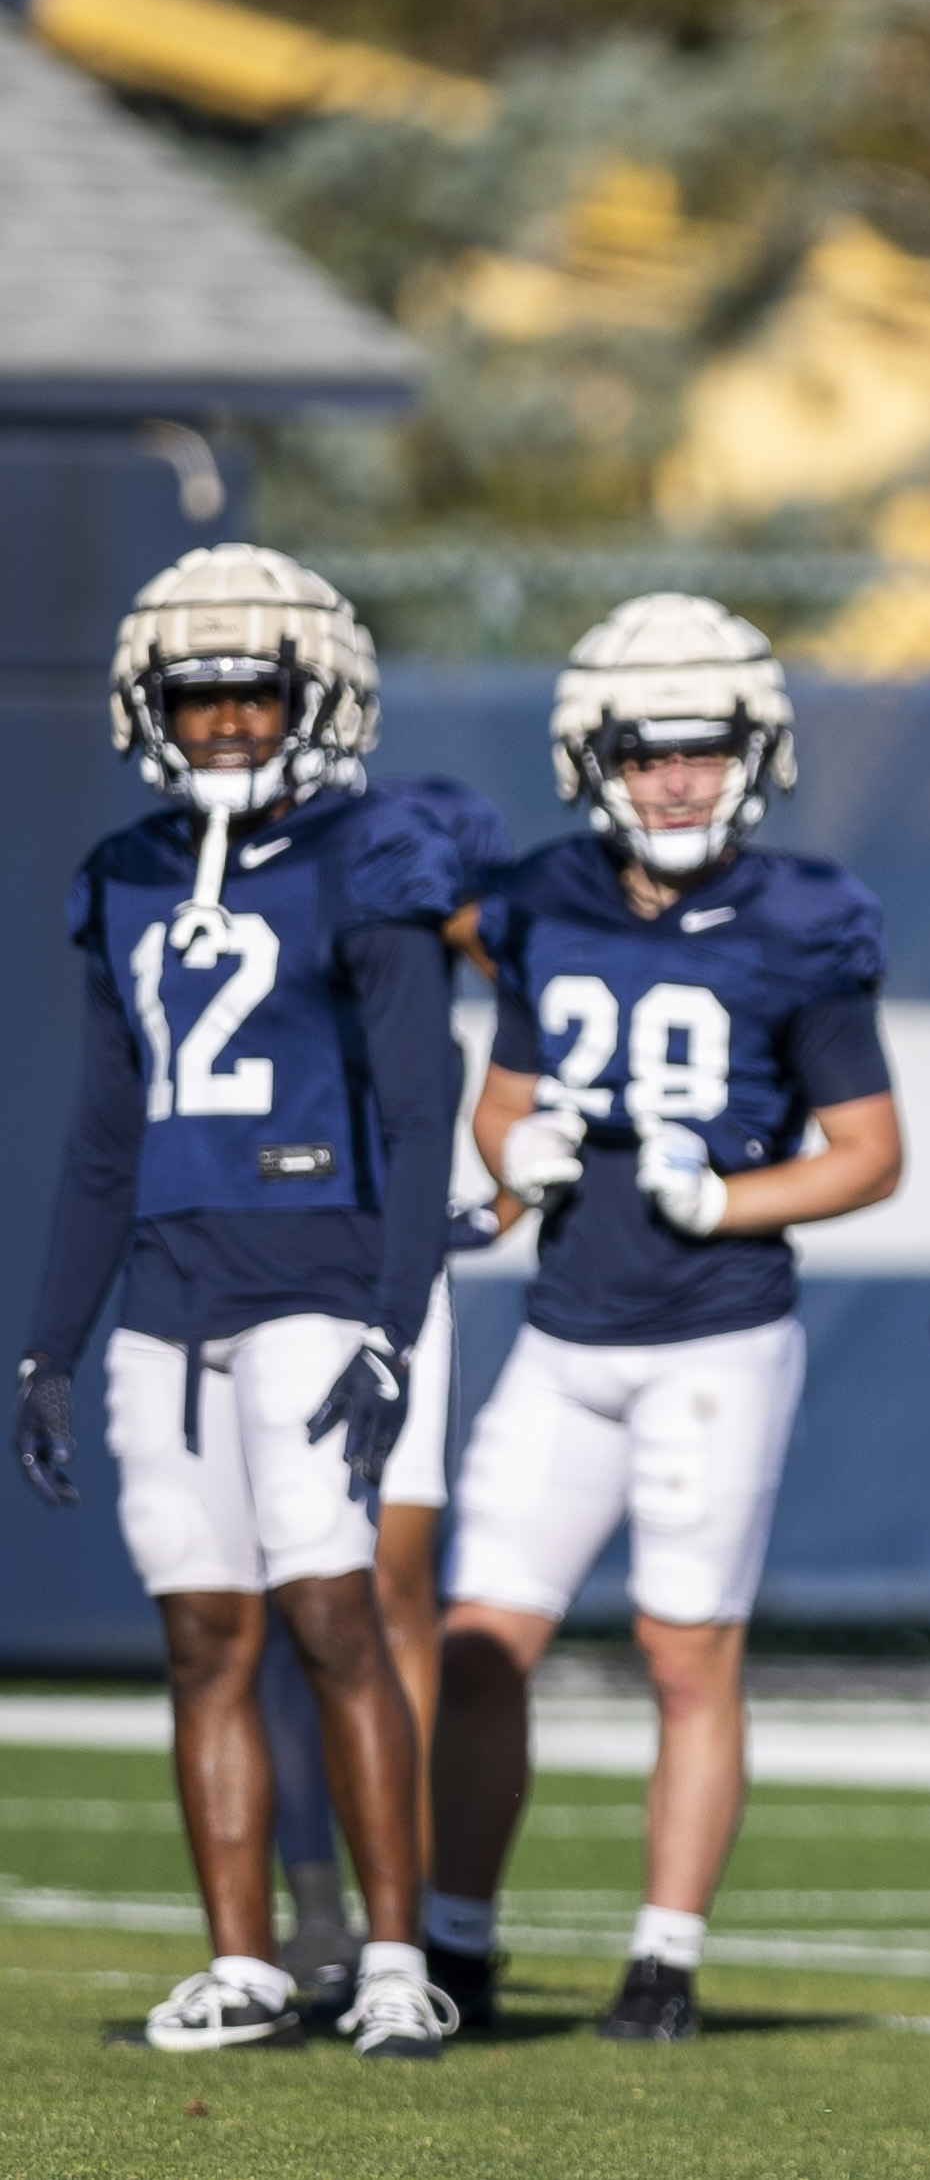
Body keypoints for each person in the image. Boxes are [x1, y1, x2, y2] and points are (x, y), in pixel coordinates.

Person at [424, 595, 904, 2045]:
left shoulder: (804, 917)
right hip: (566, 1334)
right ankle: (453, 1938)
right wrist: (514, 1148)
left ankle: (665, 1955)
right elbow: (503, 1099)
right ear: (596, 758)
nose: (680, 779)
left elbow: (869, 1152)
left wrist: (731, 1199)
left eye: (705, 750)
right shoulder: (546, 900)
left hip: (715, 1338)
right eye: (649, 751)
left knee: (685, 1648)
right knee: (479, 1640)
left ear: (756, 755)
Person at [14, 545, 462, 2058]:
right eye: (195, 697)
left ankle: (391, 1958)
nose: (221, 722)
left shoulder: (371, 855)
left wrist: (395, 1319)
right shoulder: (122, 873)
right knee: (204, 1633)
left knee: (333, 1610)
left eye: (250, 693)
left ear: (312, 698)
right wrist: (49, 1340)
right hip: (165, 1301)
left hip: (317, 1284)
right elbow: (102, 1134)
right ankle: (245, 1963)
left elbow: (420, 1109)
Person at [260, 772, 515, 2008]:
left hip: (393, 1276)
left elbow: (522, 963)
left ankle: (390, 1920)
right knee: (280, 1599)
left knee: (394, 1587)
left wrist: (500, 1198)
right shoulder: (250, 875)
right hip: (272, 1264)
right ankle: (315, 1904)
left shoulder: (421, 850)